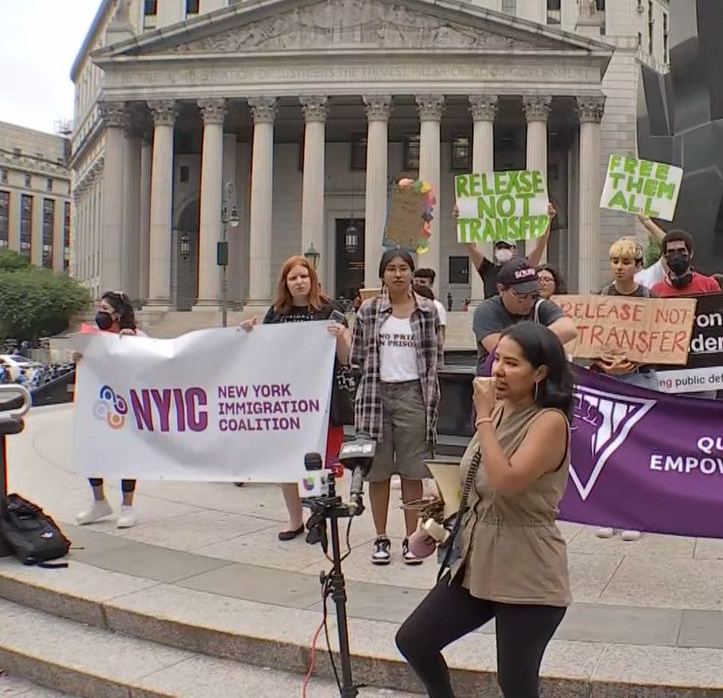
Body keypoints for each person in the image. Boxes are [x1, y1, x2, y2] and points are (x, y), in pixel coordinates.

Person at [395, 322, 573, 698]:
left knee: (516, 683)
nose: (498, 371)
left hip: (526, 568)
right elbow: (473, 481)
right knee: (414, 640)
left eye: (512, 364)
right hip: (477, 559)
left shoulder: (549, 422)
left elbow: (507, 481)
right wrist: (433, 523)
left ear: (539, 373)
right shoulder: (499, 411)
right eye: (497, 360)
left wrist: (484, 417)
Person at [239, 256, 353, 541]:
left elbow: (347, 357)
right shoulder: (276, 313)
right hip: (289, 401)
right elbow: (265, 356)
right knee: (287, 462)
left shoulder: (330, 310)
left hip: (323, 401)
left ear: (313, 279)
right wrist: (248, 335)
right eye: (293, 278)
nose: (299, 281)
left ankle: (319, 516)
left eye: (304, 276)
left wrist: (340, 336)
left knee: (320, 463)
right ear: (285, 283)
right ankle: (294, 519)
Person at [352, 247, 443, 565]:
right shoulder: (368, 310)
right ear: (382, 274)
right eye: (391, 268)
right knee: (376, 473)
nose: (398, 274)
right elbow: (357, 356)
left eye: (404, 268)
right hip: (376, 394)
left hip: (413, 395)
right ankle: (380, 536)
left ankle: (410, 537)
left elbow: (435, 359)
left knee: (411, 472)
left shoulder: (428, 311)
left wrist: (429, 399)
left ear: (412, 272)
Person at [594, 237, 656, 542]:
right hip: (608, 381)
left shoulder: (651, 298)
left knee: (637, 449)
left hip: (642, 379)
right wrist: (604, 364)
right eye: (615, 261)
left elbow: (663, 344)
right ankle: (609, 513)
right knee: (608, 448)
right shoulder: (601, 297)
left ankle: (636, 515)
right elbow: (590, 340)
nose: (619, 267)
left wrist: (638, 359)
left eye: (626, 262)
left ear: (638, 266)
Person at [76, 291, 144, 529]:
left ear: (119, 313)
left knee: (126, 452)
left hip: (126, 406)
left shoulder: (136, 336)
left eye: (105, 308)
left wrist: (133, 341)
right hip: (99, 405)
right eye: (99, 308)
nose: (100, 313)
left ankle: (127, 506)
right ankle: (99, 501)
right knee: (92, 449)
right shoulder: (93, 338)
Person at [472, 259, 577, 374]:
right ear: (501, 289)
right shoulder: (487, 310)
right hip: (495, 381)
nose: (528, 302)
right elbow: (505, 351)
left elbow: (569, 329)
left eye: (533, 295)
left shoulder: (539, 305)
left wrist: (529, 342)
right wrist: (543, 343)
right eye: (521, 296)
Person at [459, 203, 558, 299]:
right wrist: (461, 219)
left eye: (506, 247)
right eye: (499, 247)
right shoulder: (488, 270)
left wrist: (548, 220)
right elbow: (471, 247)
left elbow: (539, 247)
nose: (503, 250)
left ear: (514, 250)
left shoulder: (523, 268)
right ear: (495, 251)